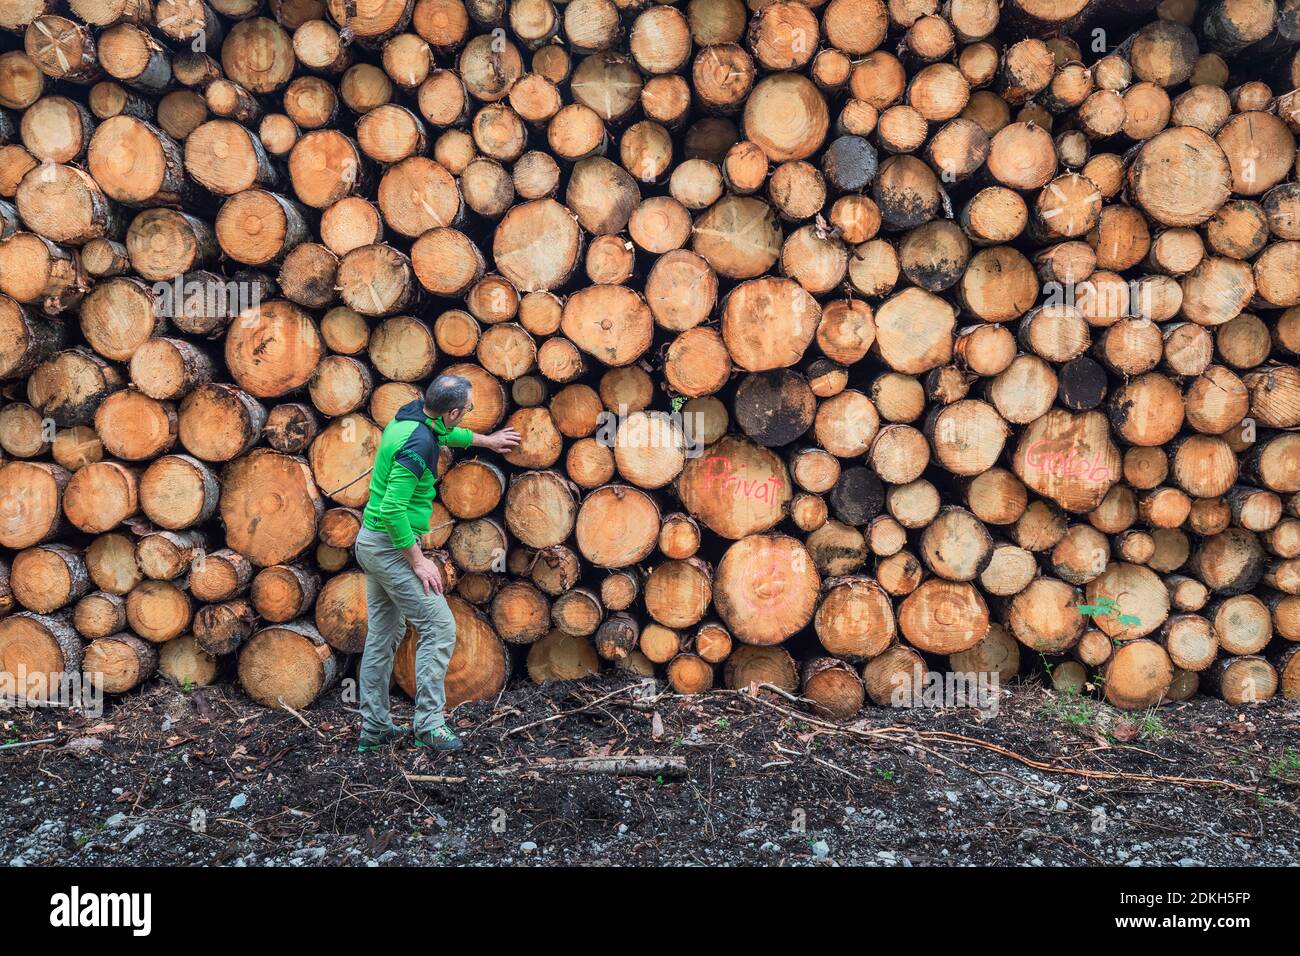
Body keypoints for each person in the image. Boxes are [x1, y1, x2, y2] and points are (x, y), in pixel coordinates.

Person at [354, 374, 519, 752]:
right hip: (389, 547)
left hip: (372, 542)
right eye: (468, 411)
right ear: (453, 412)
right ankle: (429, 725)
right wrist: (417, 560)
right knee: (440, 627)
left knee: (383, 636)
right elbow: (393, 508)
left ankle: (375, 728)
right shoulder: (419, 442)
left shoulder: (411, 418)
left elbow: (449, 436)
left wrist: (488, 441)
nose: (467, 417)